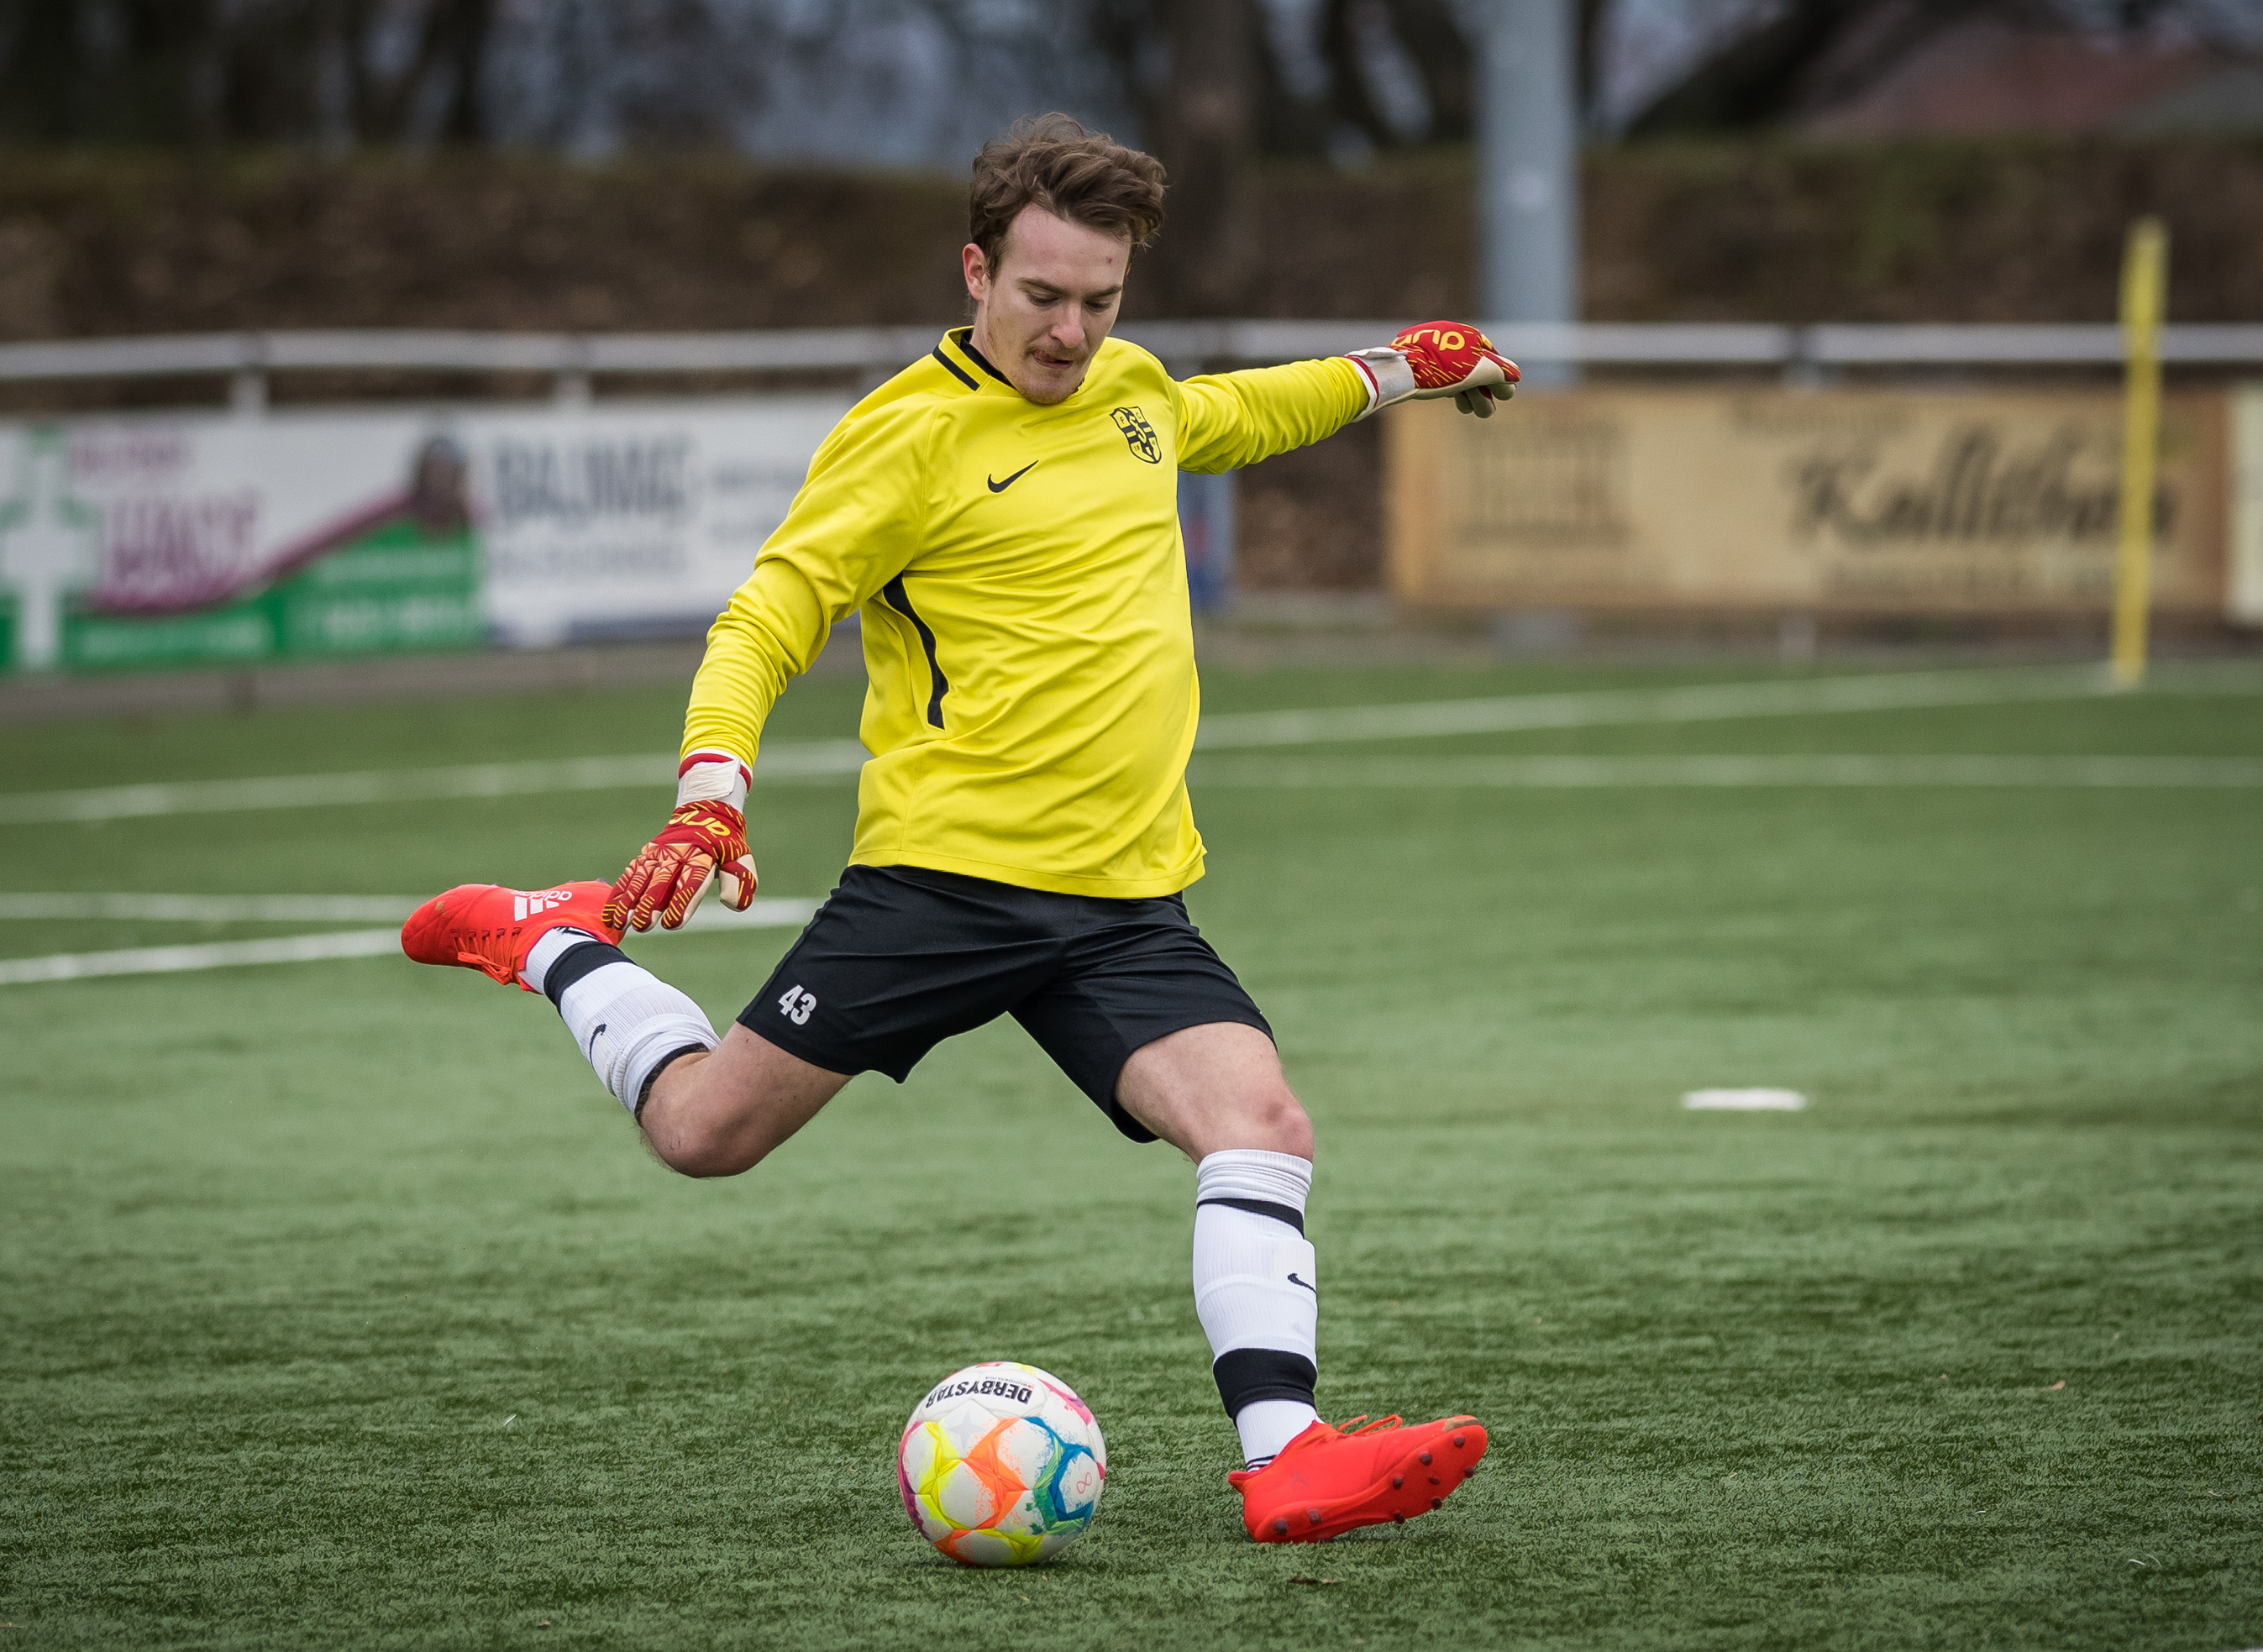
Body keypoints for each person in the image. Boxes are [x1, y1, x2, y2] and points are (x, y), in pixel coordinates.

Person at [402, 113, 1518, 1544]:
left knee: (1261, 1125)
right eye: (1042, 296)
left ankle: (1287, 1454)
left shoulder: (1133, 392)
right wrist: (711, 787)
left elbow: (1248, 410)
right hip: (945, 886)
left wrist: (1398, 372)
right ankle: (556, 941)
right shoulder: (906, 437)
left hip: (1121, 901)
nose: (1068, 331)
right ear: (976, 271)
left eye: (1099, 301)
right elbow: (771, 613)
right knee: (700, 1135)